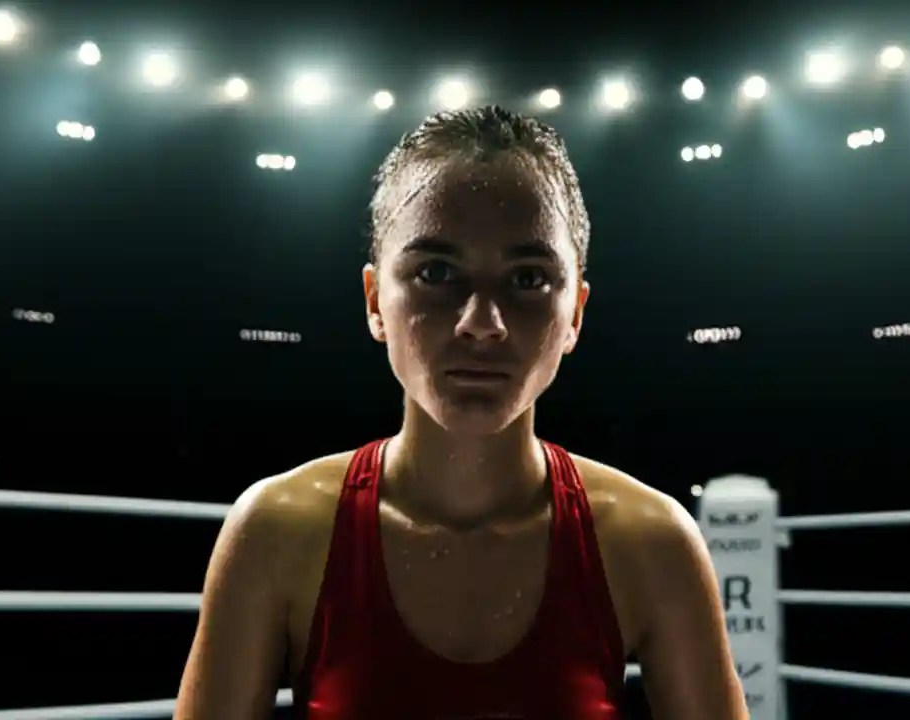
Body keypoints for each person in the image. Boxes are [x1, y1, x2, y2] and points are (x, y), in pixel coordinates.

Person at [174, 105, 747, 719]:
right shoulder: (276, 532)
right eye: (436, 273)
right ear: (375, 301)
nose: (481, 323)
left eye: (527, 279)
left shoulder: (651, 542)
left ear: (575, 312)